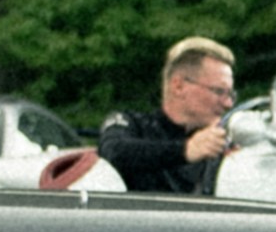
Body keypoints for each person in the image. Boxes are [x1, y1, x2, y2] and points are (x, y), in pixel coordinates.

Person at [100, 36, 236, 194]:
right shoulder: (133, 124)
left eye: (231, 94)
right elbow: (114, 151)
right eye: (219, 91)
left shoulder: (226, 142)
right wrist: (185, 150)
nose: (228, 104)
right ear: (178, 86)